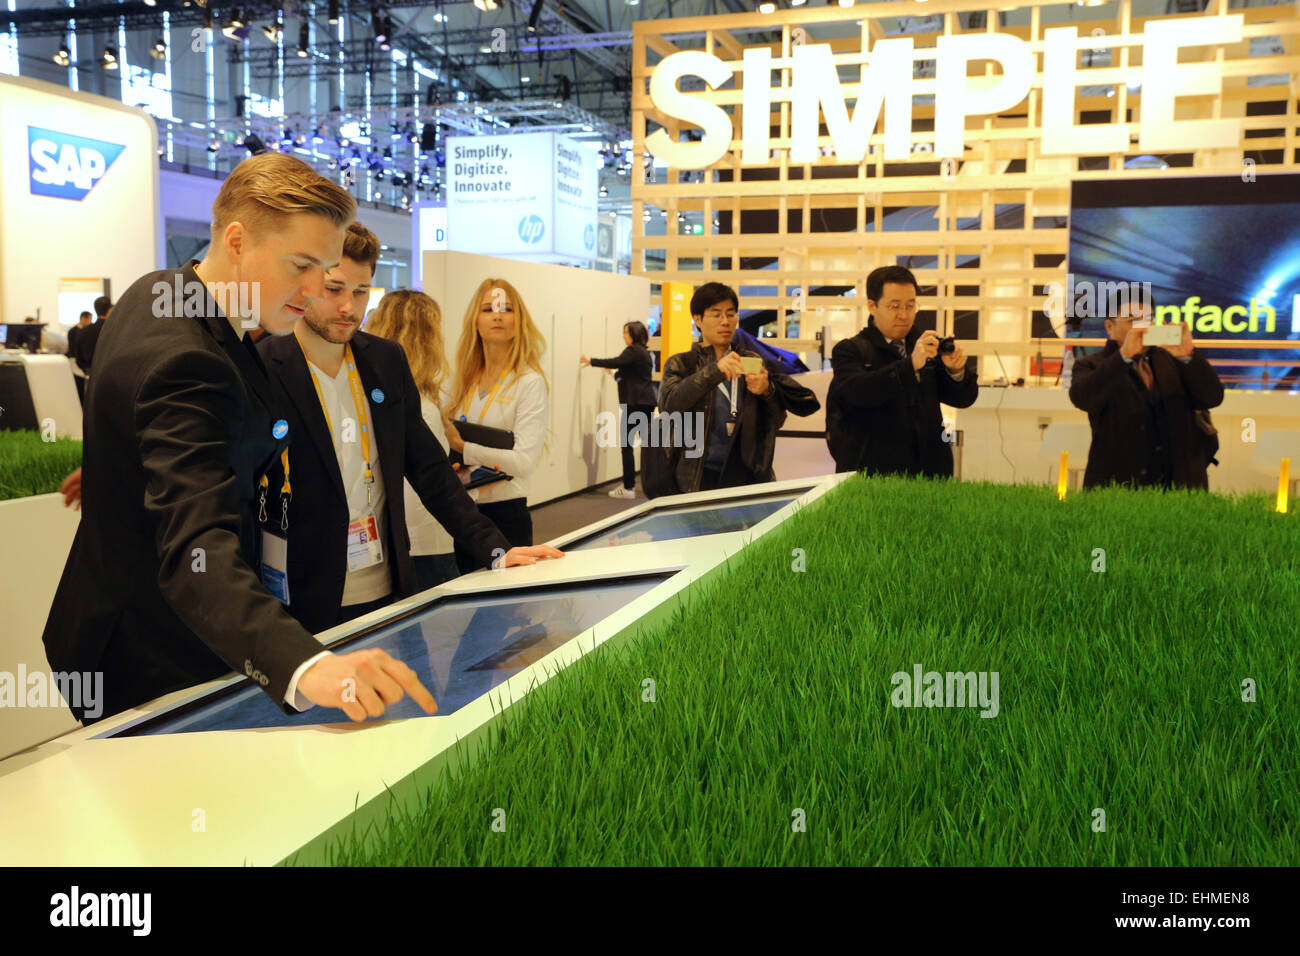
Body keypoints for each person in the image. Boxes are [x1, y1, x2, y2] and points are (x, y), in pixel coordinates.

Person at [43, 152, 435, 727]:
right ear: (236, 241)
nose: (312, 290)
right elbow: (195, 554)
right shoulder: (186, 360)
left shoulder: (162, 291)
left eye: (323, 270)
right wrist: (307, 665)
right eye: (300, 265)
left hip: (128, 631)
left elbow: (168, 436)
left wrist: (130, 464)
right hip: (155, 659)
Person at [258, 224, 562, 633]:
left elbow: (430, 471)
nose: (349, 306)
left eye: (362, 291)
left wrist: (494, 549)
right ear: (308, 281)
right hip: (301, 595)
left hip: (387, 589)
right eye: (334, 289)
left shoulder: (383, 361)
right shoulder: (261, 366)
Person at [826, 265, 978, 477]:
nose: (904, 315)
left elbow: (963, 399)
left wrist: (957, 371)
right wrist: (910, 366)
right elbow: (857, 393)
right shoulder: (850, 350)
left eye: (910, 305)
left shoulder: (928, 348)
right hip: (872, 476)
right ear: (872, 306)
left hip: (930, 474)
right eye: (894, 306)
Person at [445, 278, 550, 573]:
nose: (498, 315)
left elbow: (523, 463)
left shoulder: (529, 382)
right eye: (488, 308)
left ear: (520, 320)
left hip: (505, 515)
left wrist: (464, 448)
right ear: (475, 321)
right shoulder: (463, 381)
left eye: (507, 309)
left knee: (508, 615)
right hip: (462, 513)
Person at [366, 289, 467, 592]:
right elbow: (420, 483)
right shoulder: (420, 406)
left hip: (397, 541)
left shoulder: (378, 397)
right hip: (428, 541)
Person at [1068, 294, 1224, 489]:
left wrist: (1189, 357)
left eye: (1148, 319)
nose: (1142, 327)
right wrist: (1123, 356)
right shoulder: (1091, 365)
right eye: (1132, 320)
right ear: (1110, 327)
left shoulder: (1174, 359)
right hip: (1118, 485)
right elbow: (1084, 399)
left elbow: (1212, 397)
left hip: (1180, 482)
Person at [657, 282, 799, 493]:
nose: (725, 321)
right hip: (698, 476)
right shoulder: (682, 363)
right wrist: (714, 371)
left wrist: (768, 392)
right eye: (716, 315)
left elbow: (776, 421)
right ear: (697, 319)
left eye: (731, 314)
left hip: (747, 474)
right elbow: (669, 406)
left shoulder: (750, 360)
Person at [580, 320, 657, 498]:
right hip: (645, 403)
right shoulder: (644, 353)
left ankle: (629, 487)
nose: (623, 336)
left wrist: (591, 361)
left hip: (635, 404)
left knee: (627, 445)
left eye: (626, 332)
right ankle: (653, 484)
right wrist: (613, 373)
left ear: (633, 334)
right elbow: (626, 375)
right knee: (648, 446)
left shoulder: (633, 351)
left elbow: (616, 361)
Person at [71, 295, 111, 375]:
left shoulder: (84, 331)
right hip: (108, 374)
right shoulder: (112, 330)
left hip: (89, 374)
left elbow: (78, 356)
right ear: (109, 310)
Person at [67, 311, 93, 403]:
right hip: (75, 359)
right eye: (90, 319)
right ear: (83, 318)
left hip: (81, 359)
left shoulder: (87, 330)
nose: (91, 321)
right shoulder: (73, 331)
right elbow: (72, 348)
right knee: (78, 383)